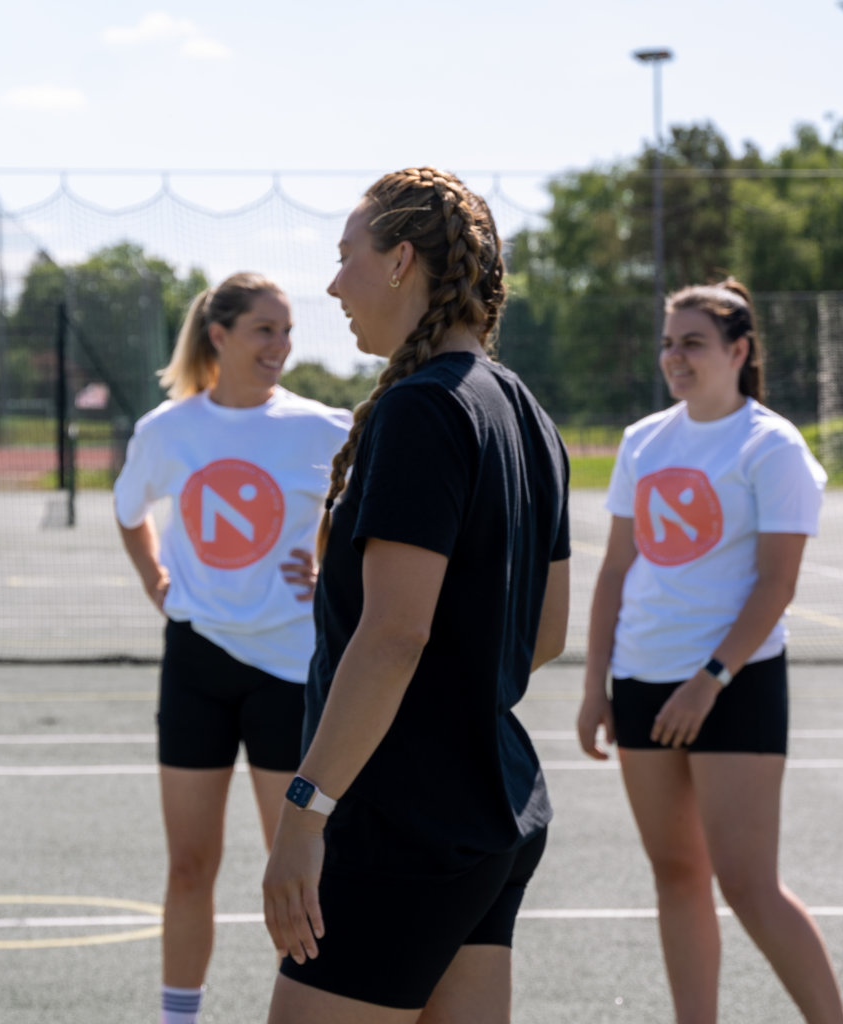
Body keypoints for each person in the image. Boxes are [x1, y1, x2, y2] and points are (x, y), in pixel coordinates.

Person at [259, 167, 572, 1024]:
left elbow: (396, 637)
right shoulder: (526, 413)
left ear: (401, 261)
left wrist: (302, 813)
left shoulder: (422, 410)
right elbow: (544, 632)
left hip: (400, 821)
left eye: (345, 257)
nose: (332, 284)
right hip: (490, 813)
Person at [576, 280, 843, 1024]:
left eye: (692, 342)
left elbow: (778, 581)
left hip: (735, 686)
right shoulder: (643, 440)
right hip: (638, 682)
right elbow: (615, 570)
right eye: (668, 342)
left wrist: (710, 679)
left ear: (739, 350)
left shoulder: (772, 445)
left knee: (749, 885)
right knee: (676, 875)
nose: (675, 357)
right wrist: (595, 684)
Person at [113, 272, 352, 1024]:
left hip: (289, 672)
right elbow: (129, 512)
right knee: (190, 867)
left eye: (286, 331)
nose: (281, 345)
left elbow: (365, 521)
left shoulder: (325, 428)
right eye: (264, 330)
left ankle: (322, 1010)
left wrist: (327, 565)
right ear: (219, 336)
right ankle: (178, 1017)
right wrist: (157, 581)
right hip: (197, 665)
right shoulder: (167, 429)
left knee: (298, 874)